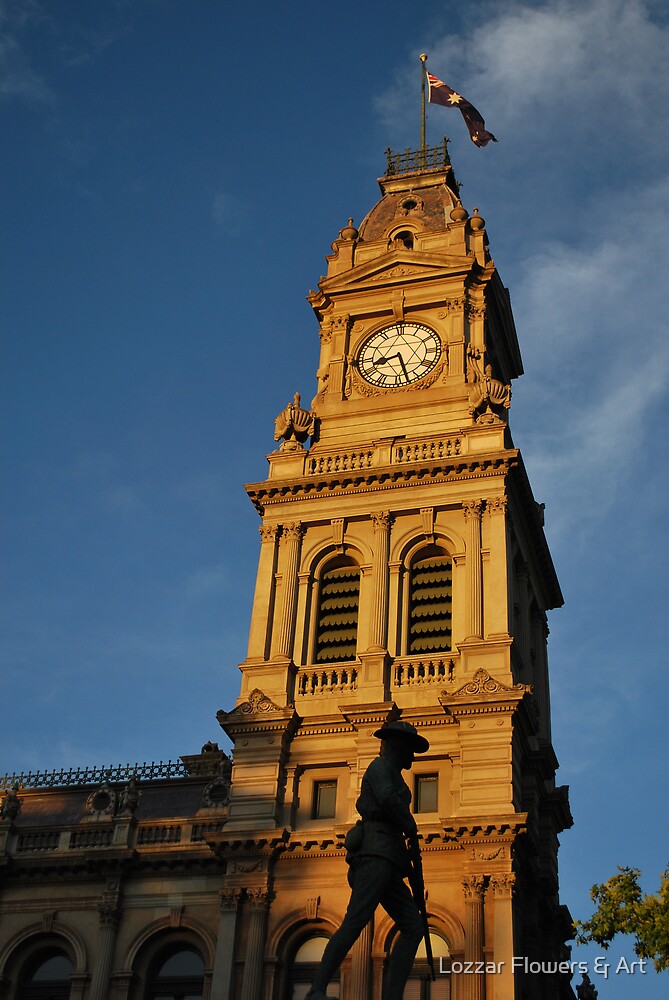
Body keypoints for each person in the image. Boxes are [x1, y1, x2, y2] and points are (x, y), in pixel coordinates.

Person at [306, 719, 429, 1000]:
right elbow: (387, 799)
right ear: (398, 746)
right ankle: (317, 988)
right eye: (410, 749)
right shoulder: (380, 767)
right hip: (375, 853)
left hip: (390, 855)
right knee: (356, 920)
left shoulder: (393, 772)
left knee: (413, 925)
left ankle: (393, 995)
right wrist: (408, 822)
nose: (412, 755)